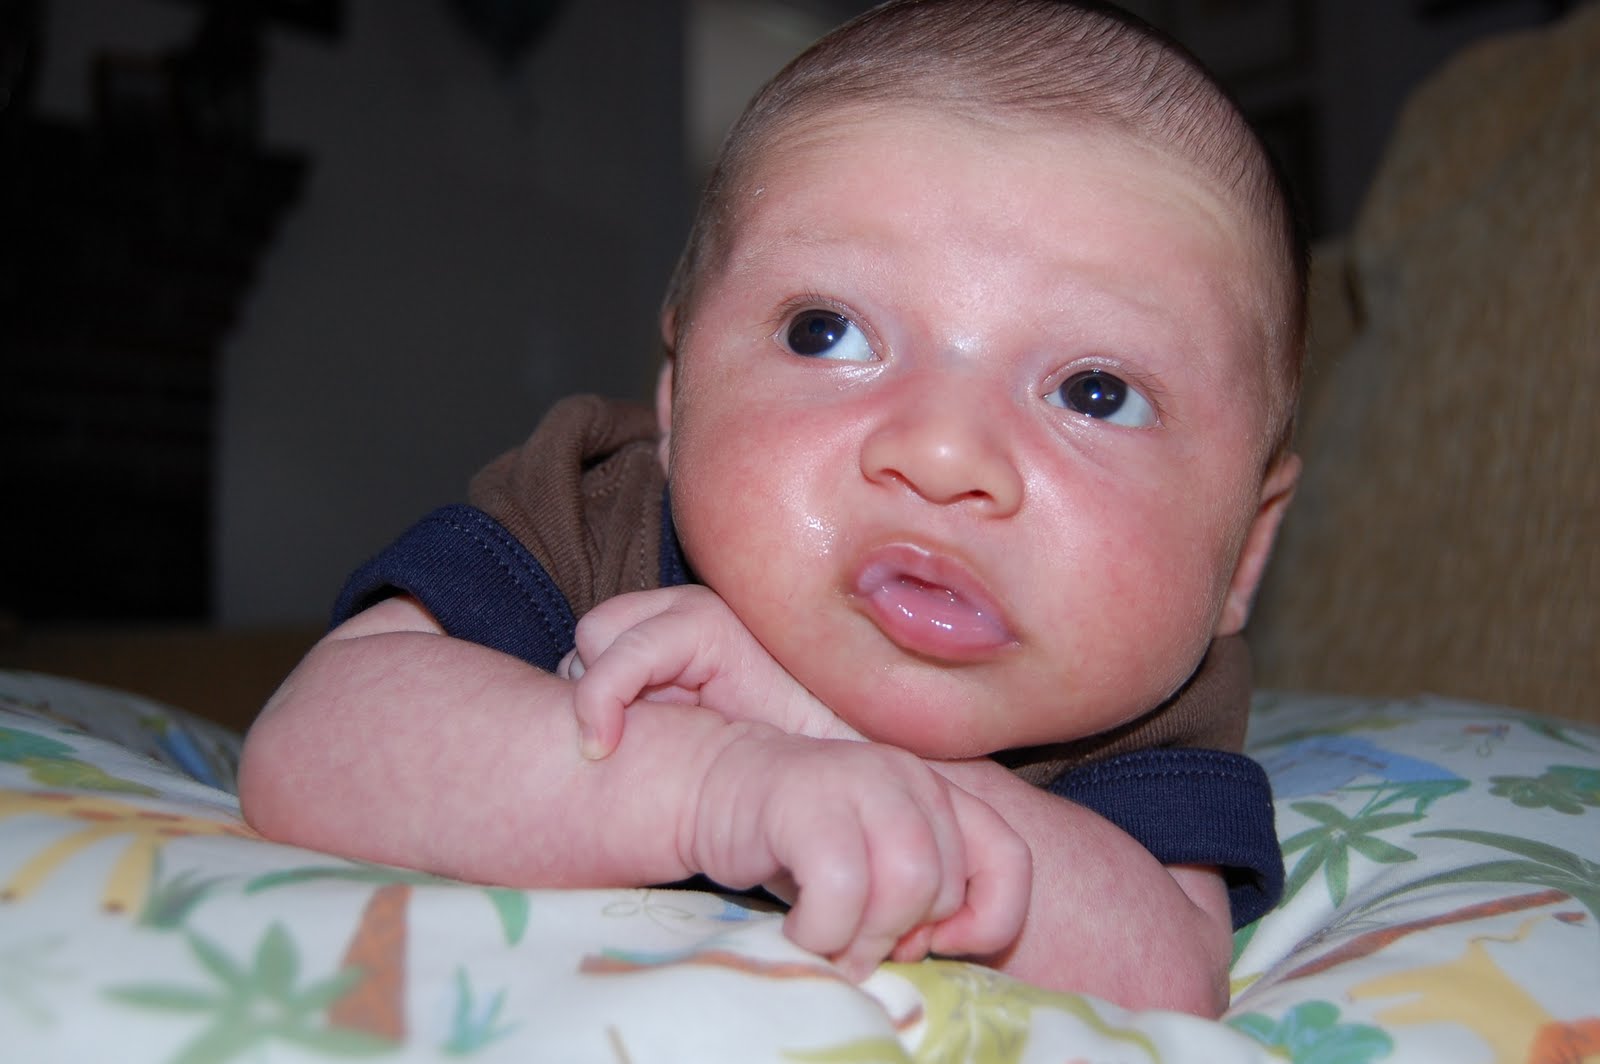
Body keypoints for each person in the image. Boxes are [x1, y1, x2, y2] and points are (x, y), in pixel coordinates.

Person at [238, 0, 1305, 1017]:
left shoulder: (1140, 692)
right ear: (678, 396)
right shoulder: (598, 511)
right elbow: (316, 744)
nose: (944, 454)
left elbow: (1167, 969)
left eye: (1095, 393)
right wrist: (713, 784)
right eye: (825, 332)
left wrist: (802, 727)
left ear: (1243, 553)